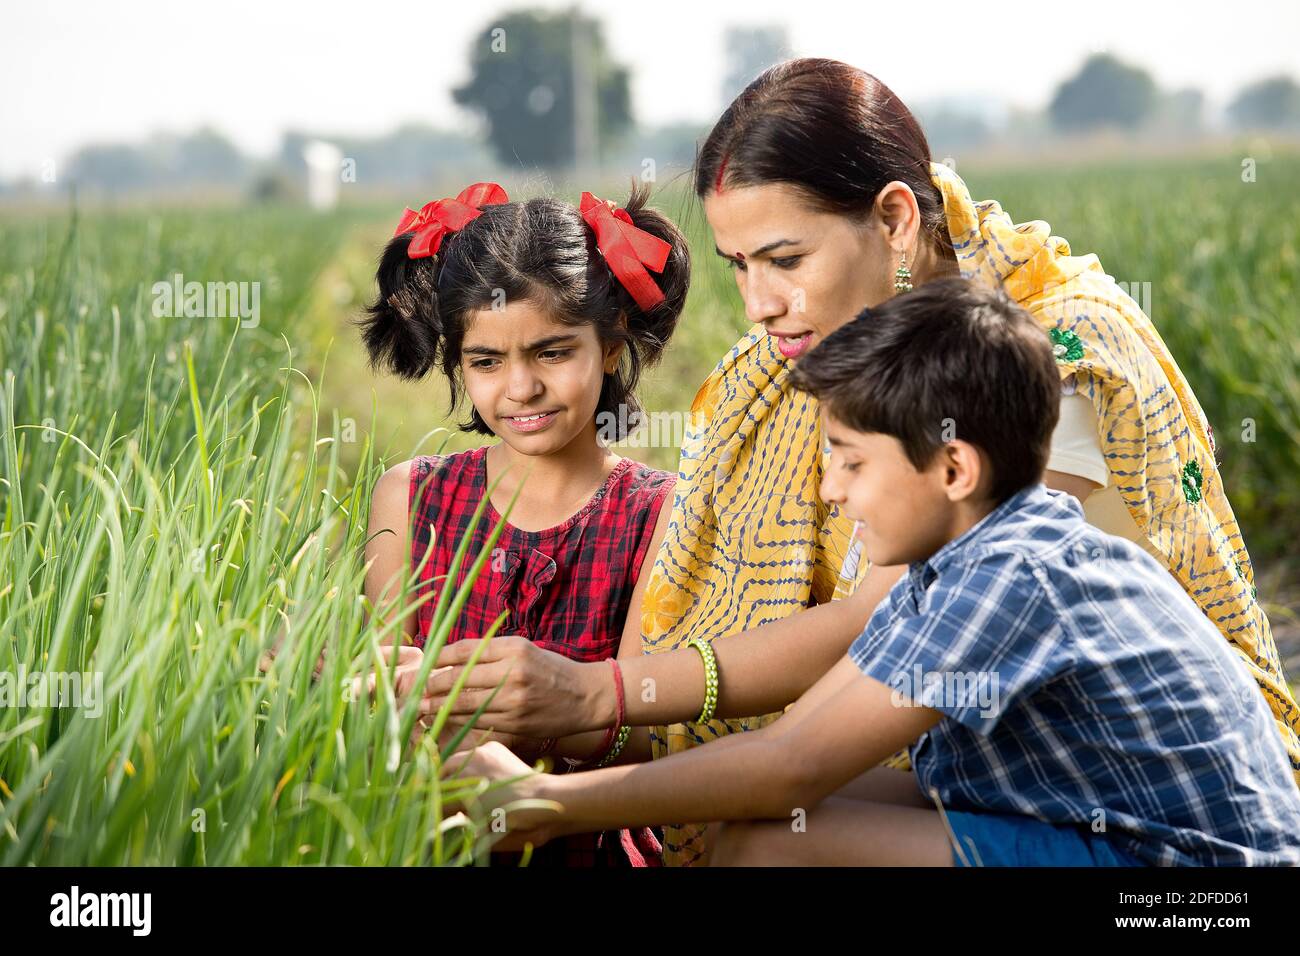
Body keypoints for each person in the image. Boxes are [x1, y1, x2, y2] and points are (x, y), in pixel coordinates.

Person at [414, 60, 1298, 866]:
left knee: (779, 838)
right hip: (1016, 776)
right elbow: (803, 740)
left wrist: (588, 724)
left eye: (785, 259)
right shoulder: (850, 380)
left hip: (1169, 865)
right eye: (739, 267)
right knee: (762, 820)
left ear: (894, 219)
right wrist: (593, 727)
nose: (760, 305)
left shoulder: (1042, 367)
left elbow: (818, 719)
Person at [451, 279, 1300, 867]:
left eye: (851, 464)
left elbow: (793, 766)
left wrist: (540, 804)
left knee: (775, 836)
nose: (830, 490)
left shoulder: (1013, 575)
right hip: (1102, 835)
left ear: (954, 469)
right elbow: (788, 749)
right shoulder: (957, 558)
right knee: (744, 818)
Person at [359, 182, 689, 865]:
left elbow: (647, 729)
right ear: (456, 361)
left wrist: (551, 713)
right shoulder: (410, 498)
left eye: (552, 352)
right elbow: (383, 702)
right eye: (486, 361)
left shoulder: (660, 512)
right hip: (431, 836)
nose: (520, 388)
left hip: (591, 843)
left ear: (609, 345)